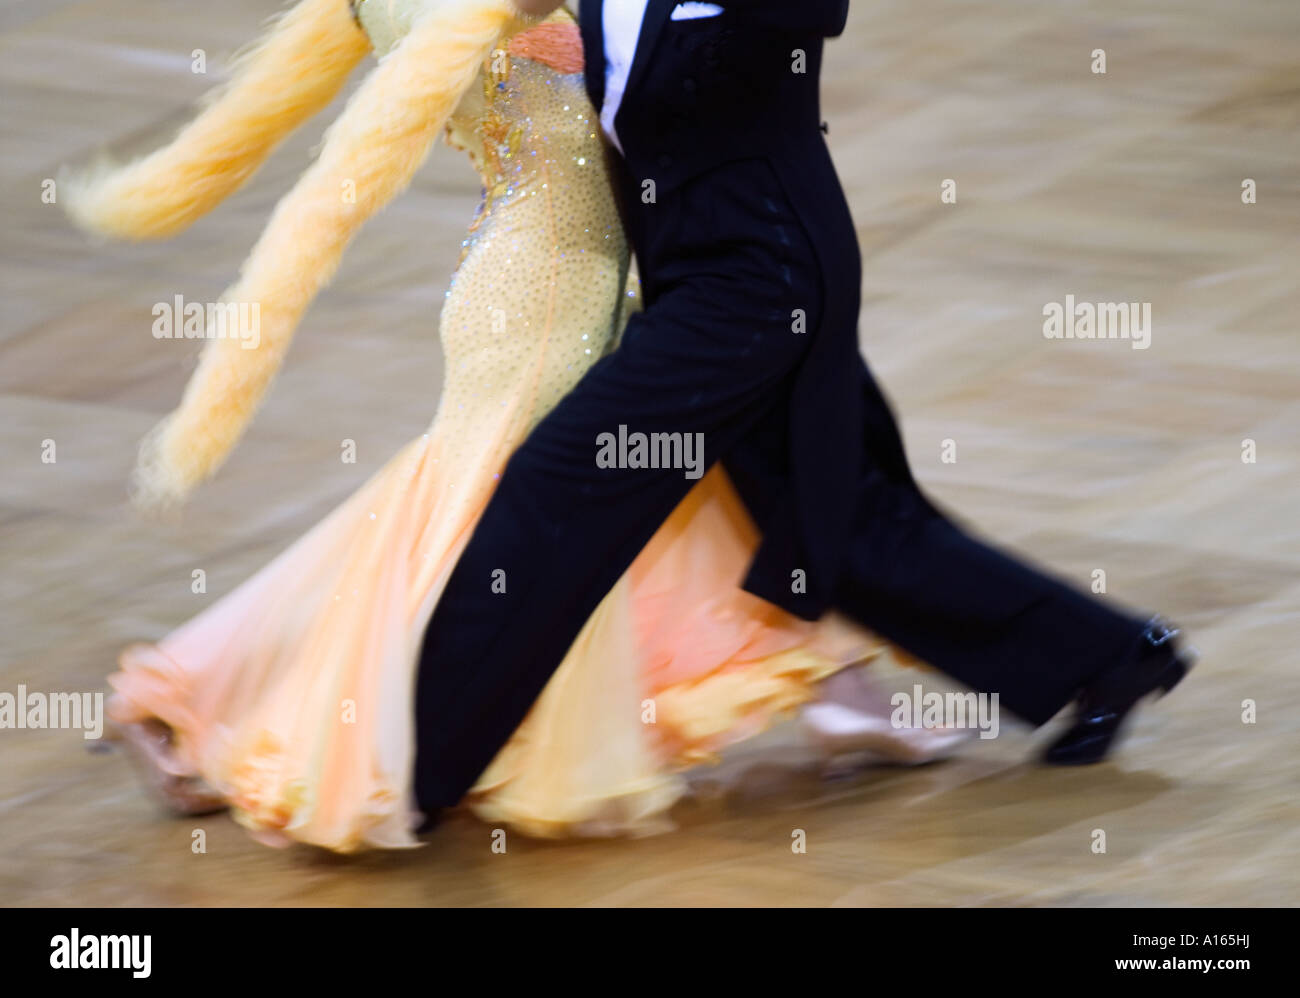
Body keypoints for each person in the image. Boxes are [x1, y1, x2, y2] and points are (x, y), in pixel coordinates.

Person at [65, 0, 959, 853]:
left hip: (565, 276)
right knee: (482, 530)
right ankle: (215, 703)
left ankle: (836, 683)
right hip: (545, 296)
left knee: (646, 488)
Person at [405, 0, 1196, 828]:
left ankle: (417, 773)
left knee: (559, 485)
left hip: (762, 287)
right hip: (702, 279)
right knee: (847, 525)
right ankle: (1112, 657)